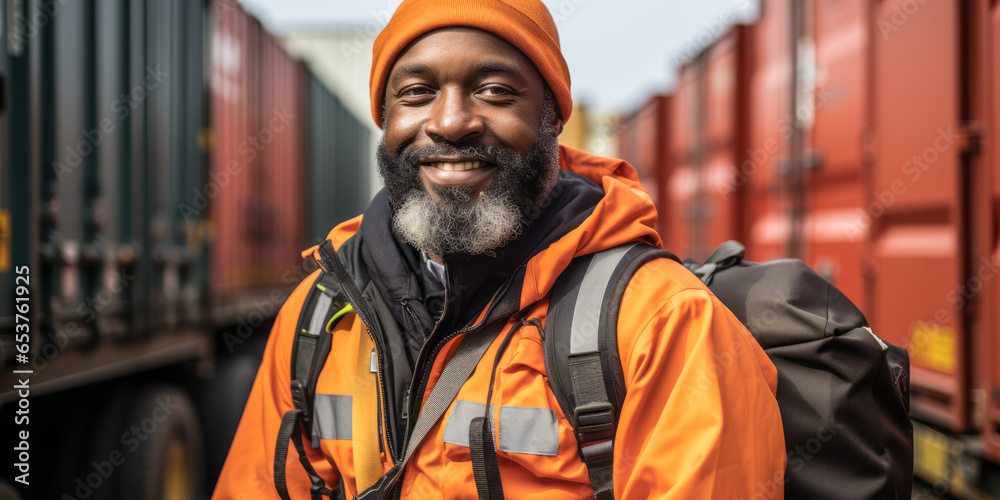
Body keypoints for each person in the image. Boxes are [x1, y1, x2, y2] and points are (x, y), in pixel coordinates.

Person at [213, 0, 786, 498]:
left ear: (551, 119)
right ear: (386, 120)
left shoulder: (664, 322)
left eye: (494, 91)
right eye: (417, 92)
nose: (451, 122)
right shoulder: (319, 313)